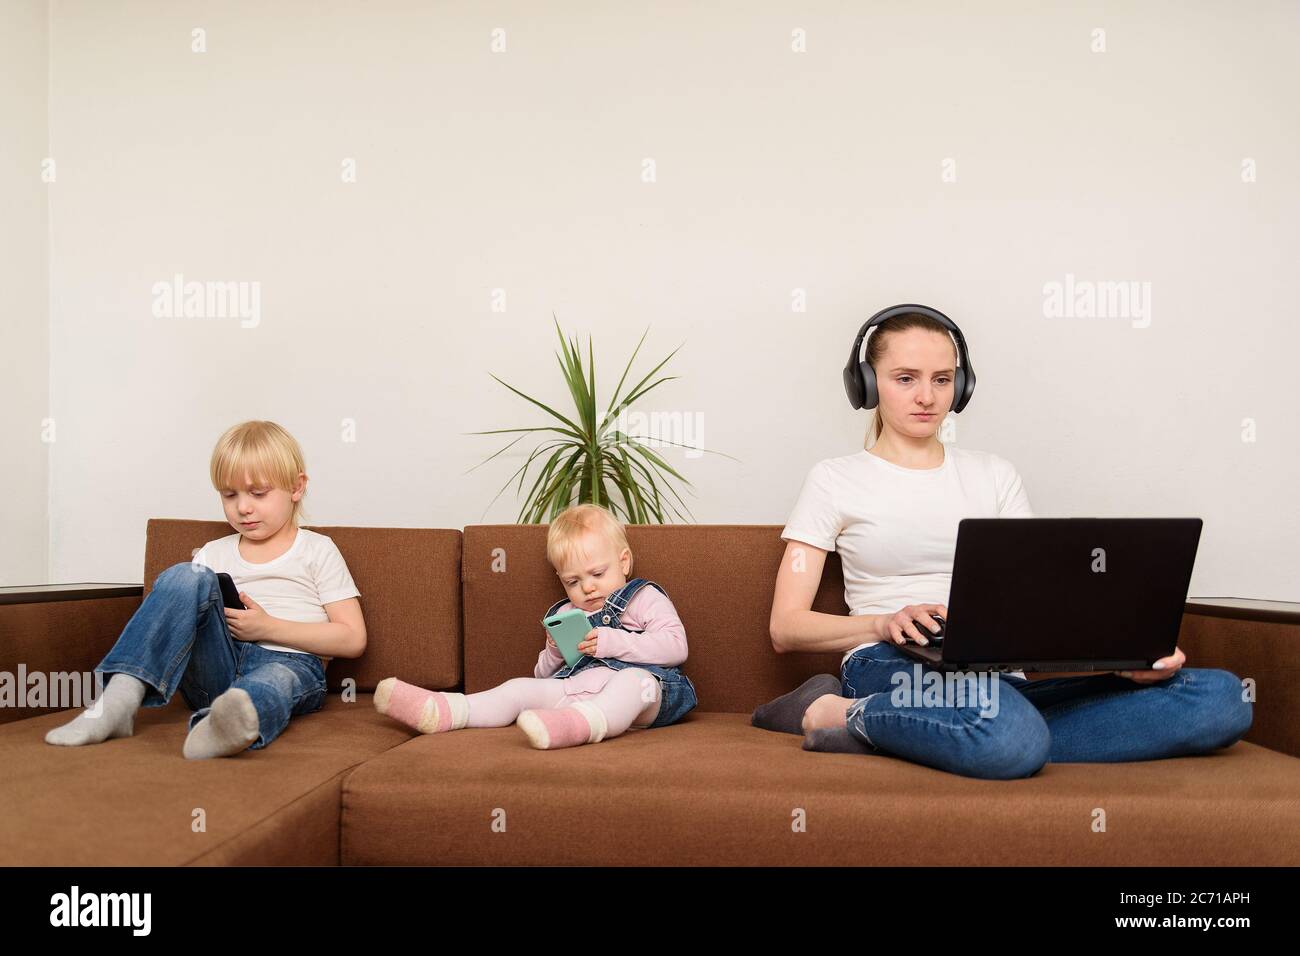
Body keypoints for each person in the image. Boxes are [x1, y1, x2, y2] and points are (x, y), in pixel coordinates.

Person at [753, 306, 1252, 779]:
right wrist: (884, 623)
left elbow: (1037, 604)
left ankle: (953, 735)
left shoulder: (995, 475)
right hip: (891, 663)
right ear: (867, 383)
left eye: (942, 379)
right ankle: (836, 711)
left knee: (1222, 698)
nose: (926, 397)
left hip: (998, 682)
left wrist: (1120, 660)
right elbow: (786, 627)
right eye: (905, 378)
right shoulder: (834, 480)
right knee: (1008, 728)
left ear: (961, 386)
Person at [45, 420, 366, 758]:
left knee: (274, 682)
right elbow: (182, 612)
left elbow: (353, 639)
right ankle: (118, 700)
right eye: (230, 495)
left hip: (291, 664)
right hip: (217, 666)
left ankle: (223, 723)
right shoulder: (214, 551)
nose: (243, 507)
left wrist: (269, 627)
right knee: (186, 574)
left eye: (258, 493)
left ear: (296, 487)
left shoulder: (317, 550)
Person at [375, 503, 697, 749]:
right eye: (573, 581)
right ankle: (447, 709)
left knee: (630, 681)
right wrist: (556, 650)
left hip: (648, 695)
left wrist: (612, 642)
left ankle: (581, 726)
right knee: (519, 687)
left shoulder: (642, 597)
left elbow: (675, 646)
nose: (588, 588)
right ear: (561, 580)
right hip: (577, 691)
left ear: (623, 562)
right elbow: (544, 677)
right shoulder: (568, 613)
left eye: (598, 574)